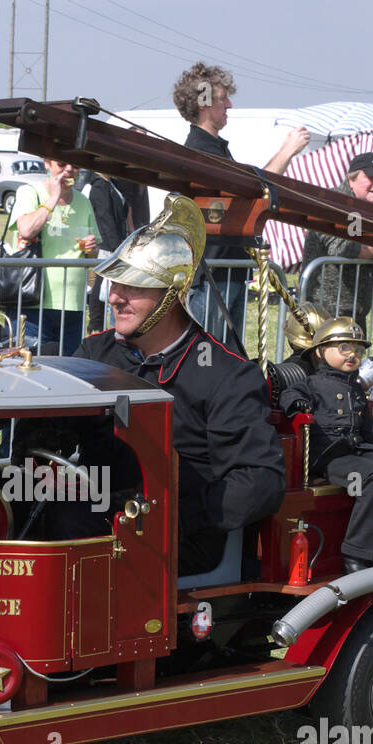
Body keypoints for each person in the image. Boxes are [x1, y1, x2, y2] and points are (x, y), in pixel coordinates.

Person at [73, 194, 286, 576]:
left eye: (133, 286)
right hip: (95, 513)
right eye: (115, 283)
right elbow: (55, 430)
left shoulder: (227, 375)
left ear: (171, 297)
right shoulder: (95, 352)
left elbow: (260, 479)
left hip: (177, 541)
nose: (115, 297)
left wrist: (173, 517)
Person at [173, 62, 310, 350]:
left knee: (225, 356)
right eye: (223, 99)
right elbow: (254, 189)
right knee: (210, 357)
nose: (230, 105)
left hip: (224, 274)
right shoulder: (201, 151)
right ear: (204, 103)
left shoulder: (213, 148)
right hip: (212, 277)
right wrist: (287, 150)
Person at [280, 317, 373, 573]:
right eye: (344, 347)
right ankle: (355, 554)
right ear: (320, 352)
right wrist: (297, 405)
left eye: (358, 350)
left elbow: (365, 424)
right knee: (370, 476)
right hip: (329, 455)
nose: (352, 354)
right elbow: (290, 394)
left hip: (355, 449)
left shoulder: (355, 388)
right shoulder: (313, 384)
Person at [5, 157, 100, 355]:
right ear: (47, 163)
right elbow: (26, 230)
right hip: (33, 302)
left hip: (73, 305)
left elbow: (94, 253)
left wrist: (91, 248)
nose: (69, 170)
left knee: (69, 367)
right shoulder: (30, 192)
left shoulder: (83, 202)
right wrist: (53, 198)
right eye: (62, 164)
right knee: (28, 365)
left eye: (75, 165)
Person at [300, 153, 373, 339]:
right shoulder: (335, 202)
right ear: (351, 180)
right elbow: (342, 247)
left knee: (354, 356)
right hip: (324, 312)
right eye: (371, 178)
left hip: (356, 309)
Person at [76, 170, 130, 332]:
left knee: (103, 282)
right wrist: (117, 247)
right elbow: (104, 218)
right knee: (101, 282)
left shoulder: (111, 183)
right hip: (107, 243)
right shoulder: (99, 186)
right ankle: (96, 323)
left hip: (116, 242)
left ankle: (97, 322)